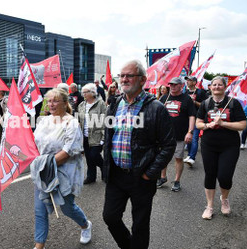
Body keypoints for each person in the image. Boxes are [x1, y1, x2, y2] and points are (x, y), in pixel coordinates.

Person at [103, 60, 176, 249]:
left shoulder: (156, 108)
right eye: (122, 75)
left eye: (129, 75)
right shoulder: (115, 103)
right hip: (116, 174)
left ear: (142, 79)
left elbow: (168, 145)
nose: (124, 79)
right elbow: (109, 136)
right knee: (110, 217)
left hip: (141, 176)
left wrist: (149, 173)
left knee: (140, 225)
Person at [32, 88, 92, 249]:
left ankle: (85, 225)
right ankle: (39, 245)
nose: (51, 104)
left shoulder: (71, 122)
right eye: (49, 100)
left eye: (55, 100)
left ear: (65, 103)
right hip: (44, 170)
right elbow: (35, 143)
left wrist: (44, 166)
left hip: (65, 171)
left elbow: (68, 151)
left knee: (67, 208)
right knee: (40, 210)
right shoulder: (43, 121)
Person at [195, 76, 246, 219]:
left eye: (220, 85)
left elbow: (242, 124)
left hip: (229, 146)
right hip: (208, 145)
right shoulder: (206, 103)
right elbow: (198, 123)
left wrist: (224, 124)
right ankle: (209, 206)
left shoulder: (233, 103)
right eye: (214, 85)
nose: (216, 87)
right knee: (210, 174)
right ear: (210, 87)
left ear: (225, 87)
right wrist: (206, 125)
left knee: (225, 176)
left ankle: (224, 199)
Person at [157, 77, 196, 191]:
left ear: (181, 85)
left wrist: (190, 132)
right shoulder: (164, 98)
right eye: (171, 84)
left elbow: (192, 116)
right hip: (164, 134)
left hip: (179, 134)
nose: (172, 86)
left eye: (175, 84)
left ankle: (177, 180)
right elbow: (157, 113)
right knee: (163, 156)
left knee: (178, 158)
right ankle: (163, 177)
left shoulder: (186, 99)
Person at [77, 83, 106, 184]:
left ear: (92, 92)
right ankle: (91, 177)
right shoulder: (81, 105)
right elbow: (79, 119)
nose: (83, 94)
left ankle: (103, 167)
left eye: (86, 92)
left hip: (97, 135)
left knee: (94, 155)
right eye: (83, 92)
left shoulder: (101, 104)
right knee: (89, 158)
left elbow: (105, 120)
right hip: (85, 136)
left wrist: (104, 137)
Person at [184, 76, 208, 167]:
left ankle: (192, 158)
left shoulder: (200, 92)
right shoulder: (185, 92)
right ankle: (189, 155)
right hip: (187, 118)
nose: (187, 82)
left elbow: (206, 104)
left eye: (189, 80)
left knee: (194, 138)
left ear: (194, 82)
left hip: (197, 117)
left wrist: (194, 102)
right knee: (188, 137)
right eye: (187, 80)